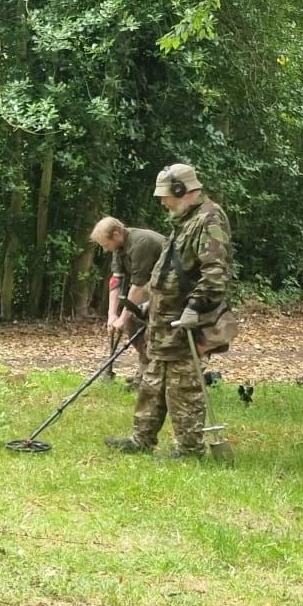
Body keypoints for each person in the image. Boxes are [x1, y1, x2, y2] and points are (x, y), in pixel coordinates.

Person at [107, 163, 234, 458]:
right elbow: (170, 270)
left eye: (166, 195)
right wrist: (152, 301)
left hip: (185, 320)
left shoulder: (209, 218)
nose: (163, 201)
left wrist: (196, 307)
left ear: (182, 190)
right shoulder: (184, 220)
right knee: (152, 382)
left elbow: (215, 273)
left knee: (184, 385)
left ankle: (189, 448)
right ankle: (141, 439)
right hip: (163, 319)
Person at [90, 215, 163, 386]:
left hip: (173, 289)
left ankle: (150, 374)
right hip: (151, 287)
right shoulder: (119, 248)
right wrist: (111, 317)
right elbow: (116, 280)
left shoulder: (141, 243)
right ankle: (144, 369)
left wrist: (122, 318)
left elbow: (138, 286)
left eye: (106, 244)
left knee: (141, 324)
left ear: (116, 234)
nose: (106, 249)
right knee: (131, 323)